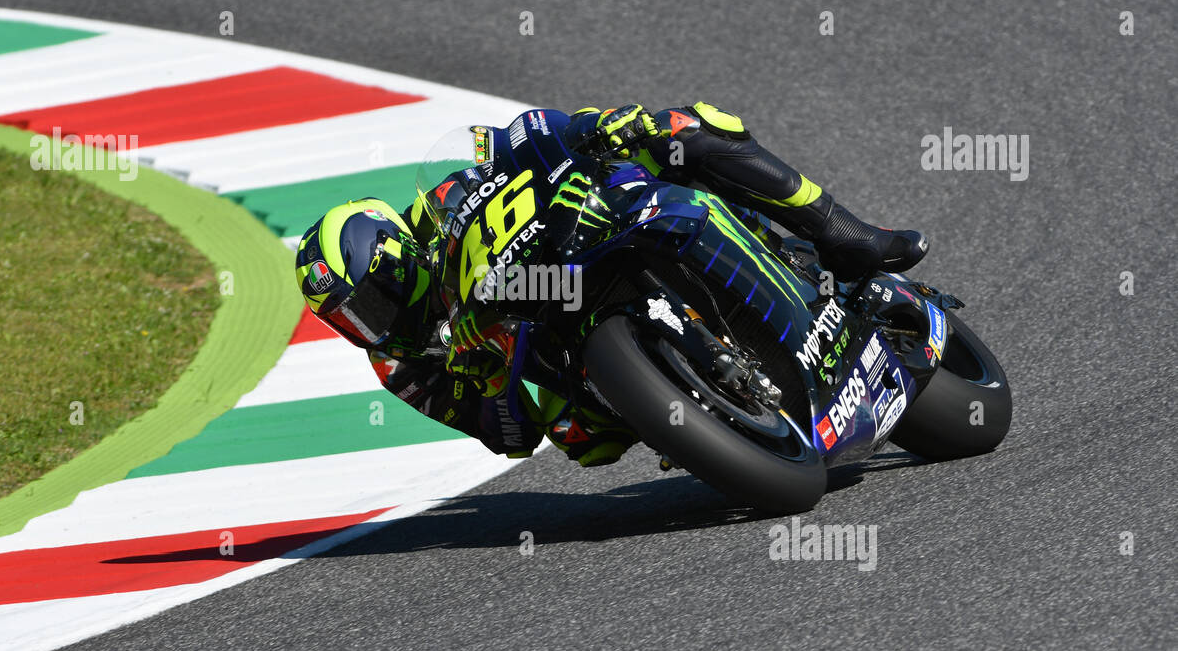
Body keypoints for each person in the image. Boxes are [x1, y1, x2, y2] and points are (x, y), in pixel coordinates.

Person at [294, 102, 928, 465]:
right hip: (560, 352)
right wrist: (492, 366)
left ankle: (845, 232)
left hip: (572, 242)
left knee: (684, 128)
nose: (367, 327)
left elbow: (517, 143)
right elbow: (508, 437)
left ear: (392, 256)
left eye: (366, 306)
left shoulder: (440, 202)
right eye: (348, 322)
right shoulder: (398, 366)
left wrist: (589, 129)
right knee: (583, 440)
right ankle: (698, 408)